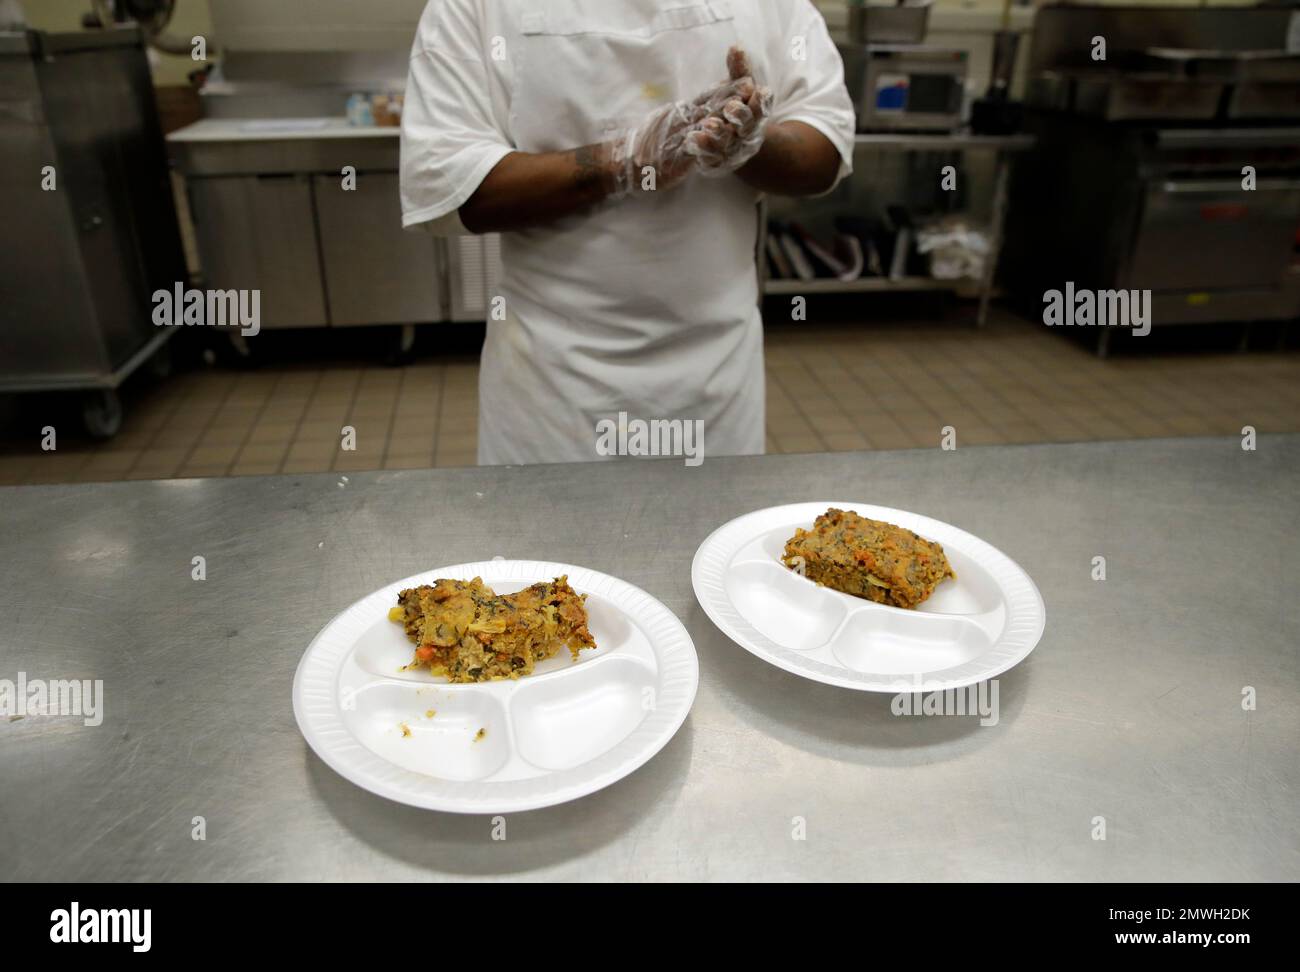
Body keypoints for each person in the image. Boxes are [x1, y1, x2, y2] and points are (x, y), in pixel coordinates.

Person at [401, 0, 854, 465]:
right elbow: (448, 185)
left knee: (711, 535)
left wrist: (749, 144)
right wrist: (625, 161)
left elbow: (825, 147)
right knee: (543, 535)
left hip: (717, 378)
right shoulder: (475, 8)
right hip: (551, 387)